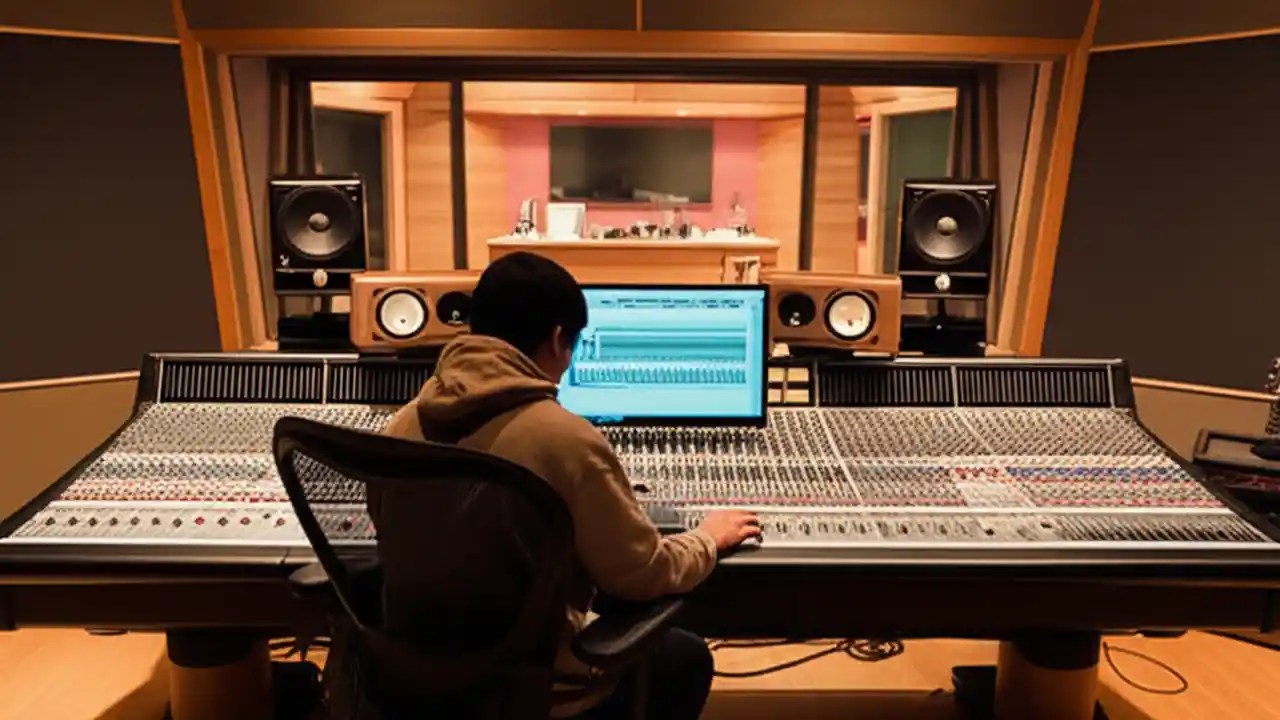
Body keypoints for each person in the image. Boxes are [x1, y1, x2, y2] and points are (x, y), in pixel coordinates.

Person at [379, 251, 761, 719]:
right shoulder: (564, 438)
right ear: (560, 338)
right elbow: (641, 575)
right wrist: (706, 539)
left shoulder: (403, 422)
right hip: (534, 687)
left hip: (415, 677)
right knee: (686, 657)